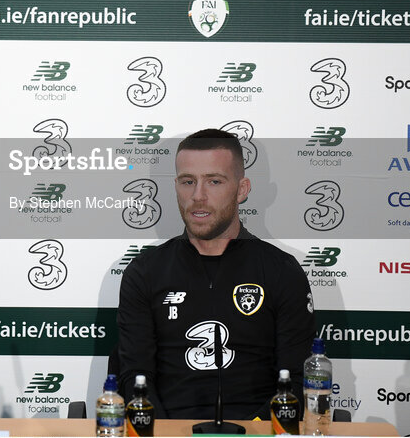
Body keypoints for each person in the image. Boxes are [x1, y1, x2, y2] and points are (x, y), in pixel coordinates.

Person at [116, 129, 315, 420]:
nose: (198, 196)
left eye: (214, 181)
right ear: (176, 187)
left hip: (257, 432)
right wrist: (166, 434)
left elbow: (297, 382)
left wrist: (250, 432)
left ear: (242, 189)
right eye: (188, 182)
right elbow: (134, 379)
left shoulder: (282, 272)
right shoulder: (144, 272)